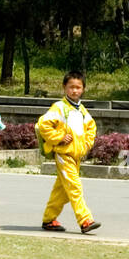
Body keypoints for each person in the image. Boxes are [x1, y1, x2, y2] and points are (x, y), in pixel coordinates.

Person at [37, 71, 99, 234]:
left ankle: (49, 219)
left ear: (83, 89)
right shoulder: (59, 107)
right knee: (74, 186)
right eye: (71, 87)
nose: (75, 90)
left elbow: (91, 129)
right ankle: (85, 219)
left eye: (78, 87)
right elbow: (43, 125)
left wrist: (86, 145)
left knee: (62, 191)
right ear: (64, 87)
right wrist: (58, 138)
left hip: (76, 155)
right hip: (64, 154)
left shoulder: (82, 110)